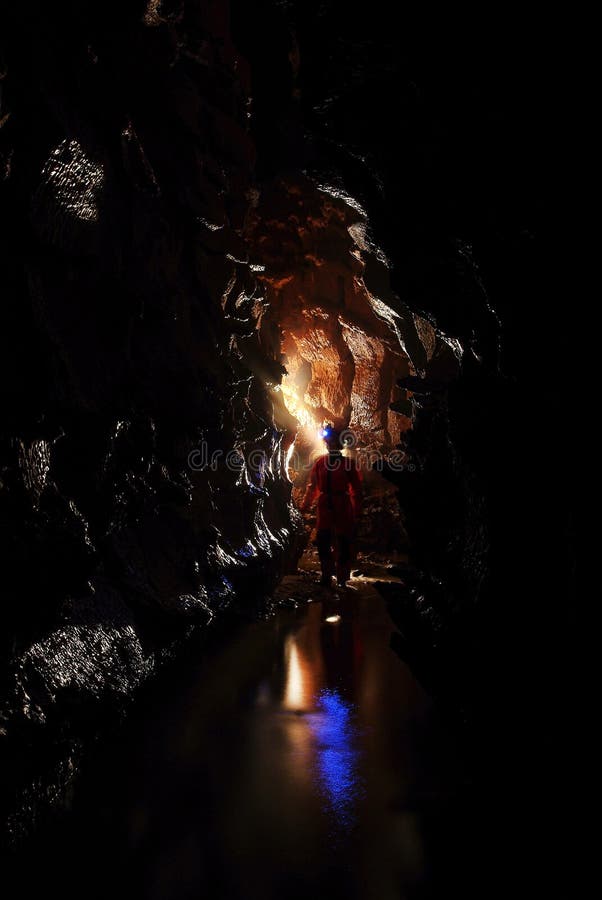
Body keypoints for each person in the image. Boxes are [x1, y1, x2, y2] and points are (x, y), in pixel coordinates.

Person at [300, 424, 362, 588]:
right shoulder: (320, 463)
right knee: (323, 540)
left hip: (342, 504)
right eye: (329, 442)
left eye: (333, 442)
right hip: (325, 505)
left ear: (339, 444)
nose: (330, 445)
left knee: (343, 542)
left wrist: (357, 511)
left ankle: (342, 577)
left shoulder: (347, 464)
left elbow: (356, 489)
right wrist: (304, 506)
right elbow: (312, 487)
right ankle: (327, 574)